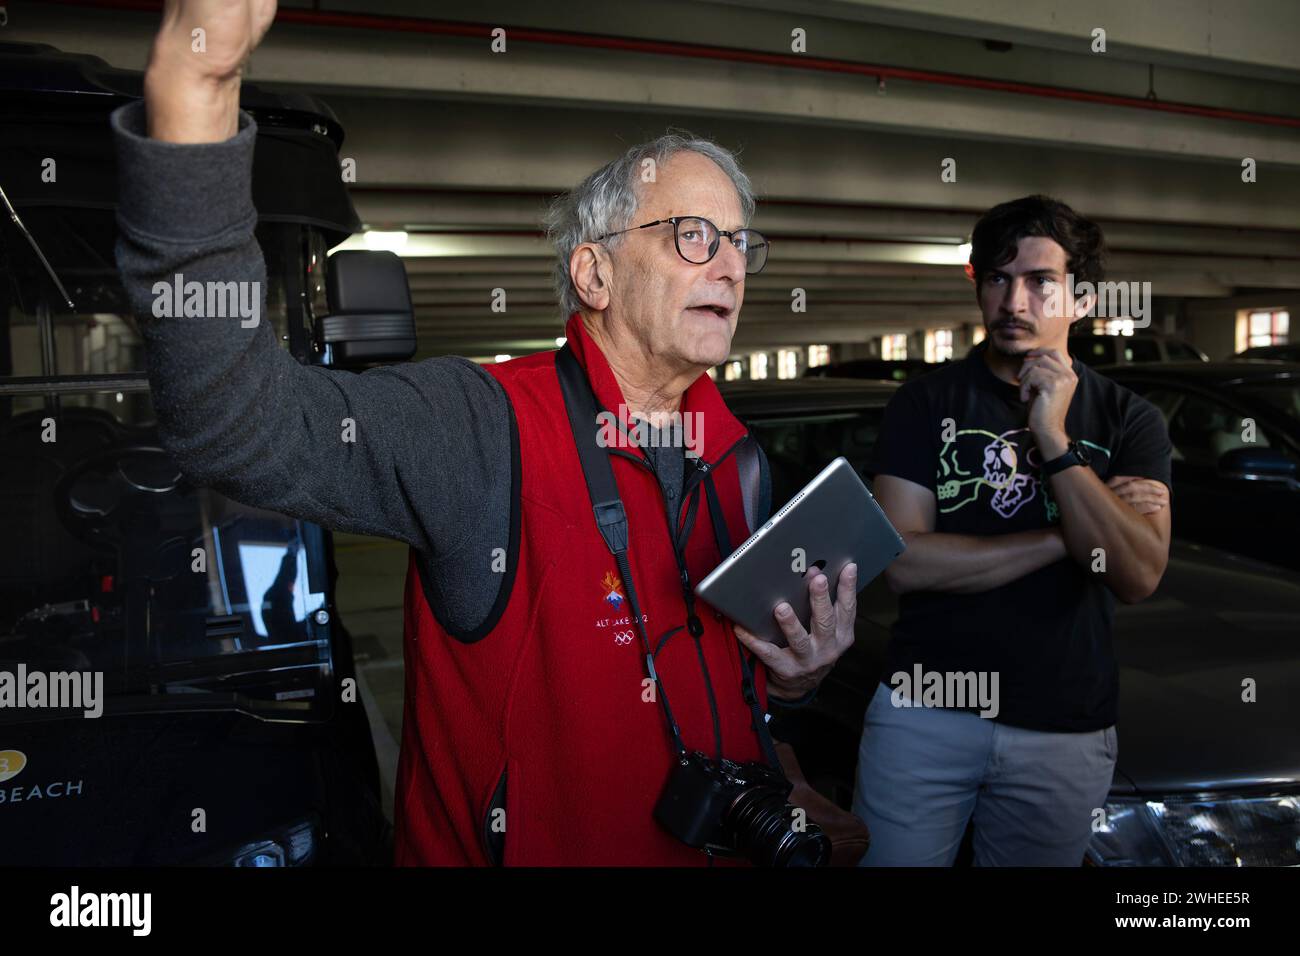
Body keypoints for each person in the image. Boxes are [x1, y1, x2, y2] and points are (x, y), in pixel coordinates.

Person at [112, 0, 858, 865]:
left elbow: (728, 697)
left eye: (738, 242)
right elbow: (232, 424)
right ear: (595, 272)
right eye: (694, 236)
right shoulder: (479, 426)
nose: (729, 262)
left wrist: (791, 686)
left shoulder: (738, 462)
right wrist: (194, 108)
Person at [855, 195, 1173, 866]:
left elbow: (1138, 574)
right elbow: (905, 562)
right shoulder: (925, 401)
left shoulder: (1130, 419)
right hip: (926, 709)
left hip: (1062, 724)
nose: (1013, 300)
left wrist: (1054, 438)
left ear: (1081, 299)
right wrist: (1071, 539)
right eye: (996, 278)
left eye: (1039, 281)